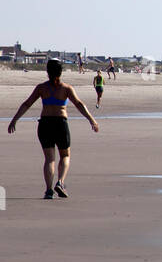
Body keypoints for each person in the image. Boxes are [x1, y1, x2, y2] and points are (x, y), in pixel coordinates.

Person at [8, 59, 99, 199]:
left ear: (47, 72)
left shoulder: (41, 88)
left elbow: (27, 104)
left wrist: (14, 120)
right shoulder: (66, 88)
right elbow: (79, 104)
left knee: (49, 159)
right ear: (61, 72)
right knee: (65, 155)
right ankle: (60, 182)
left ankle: (48, 190)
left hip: (45, 124)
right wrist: (91, 120)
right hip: (60, 124)